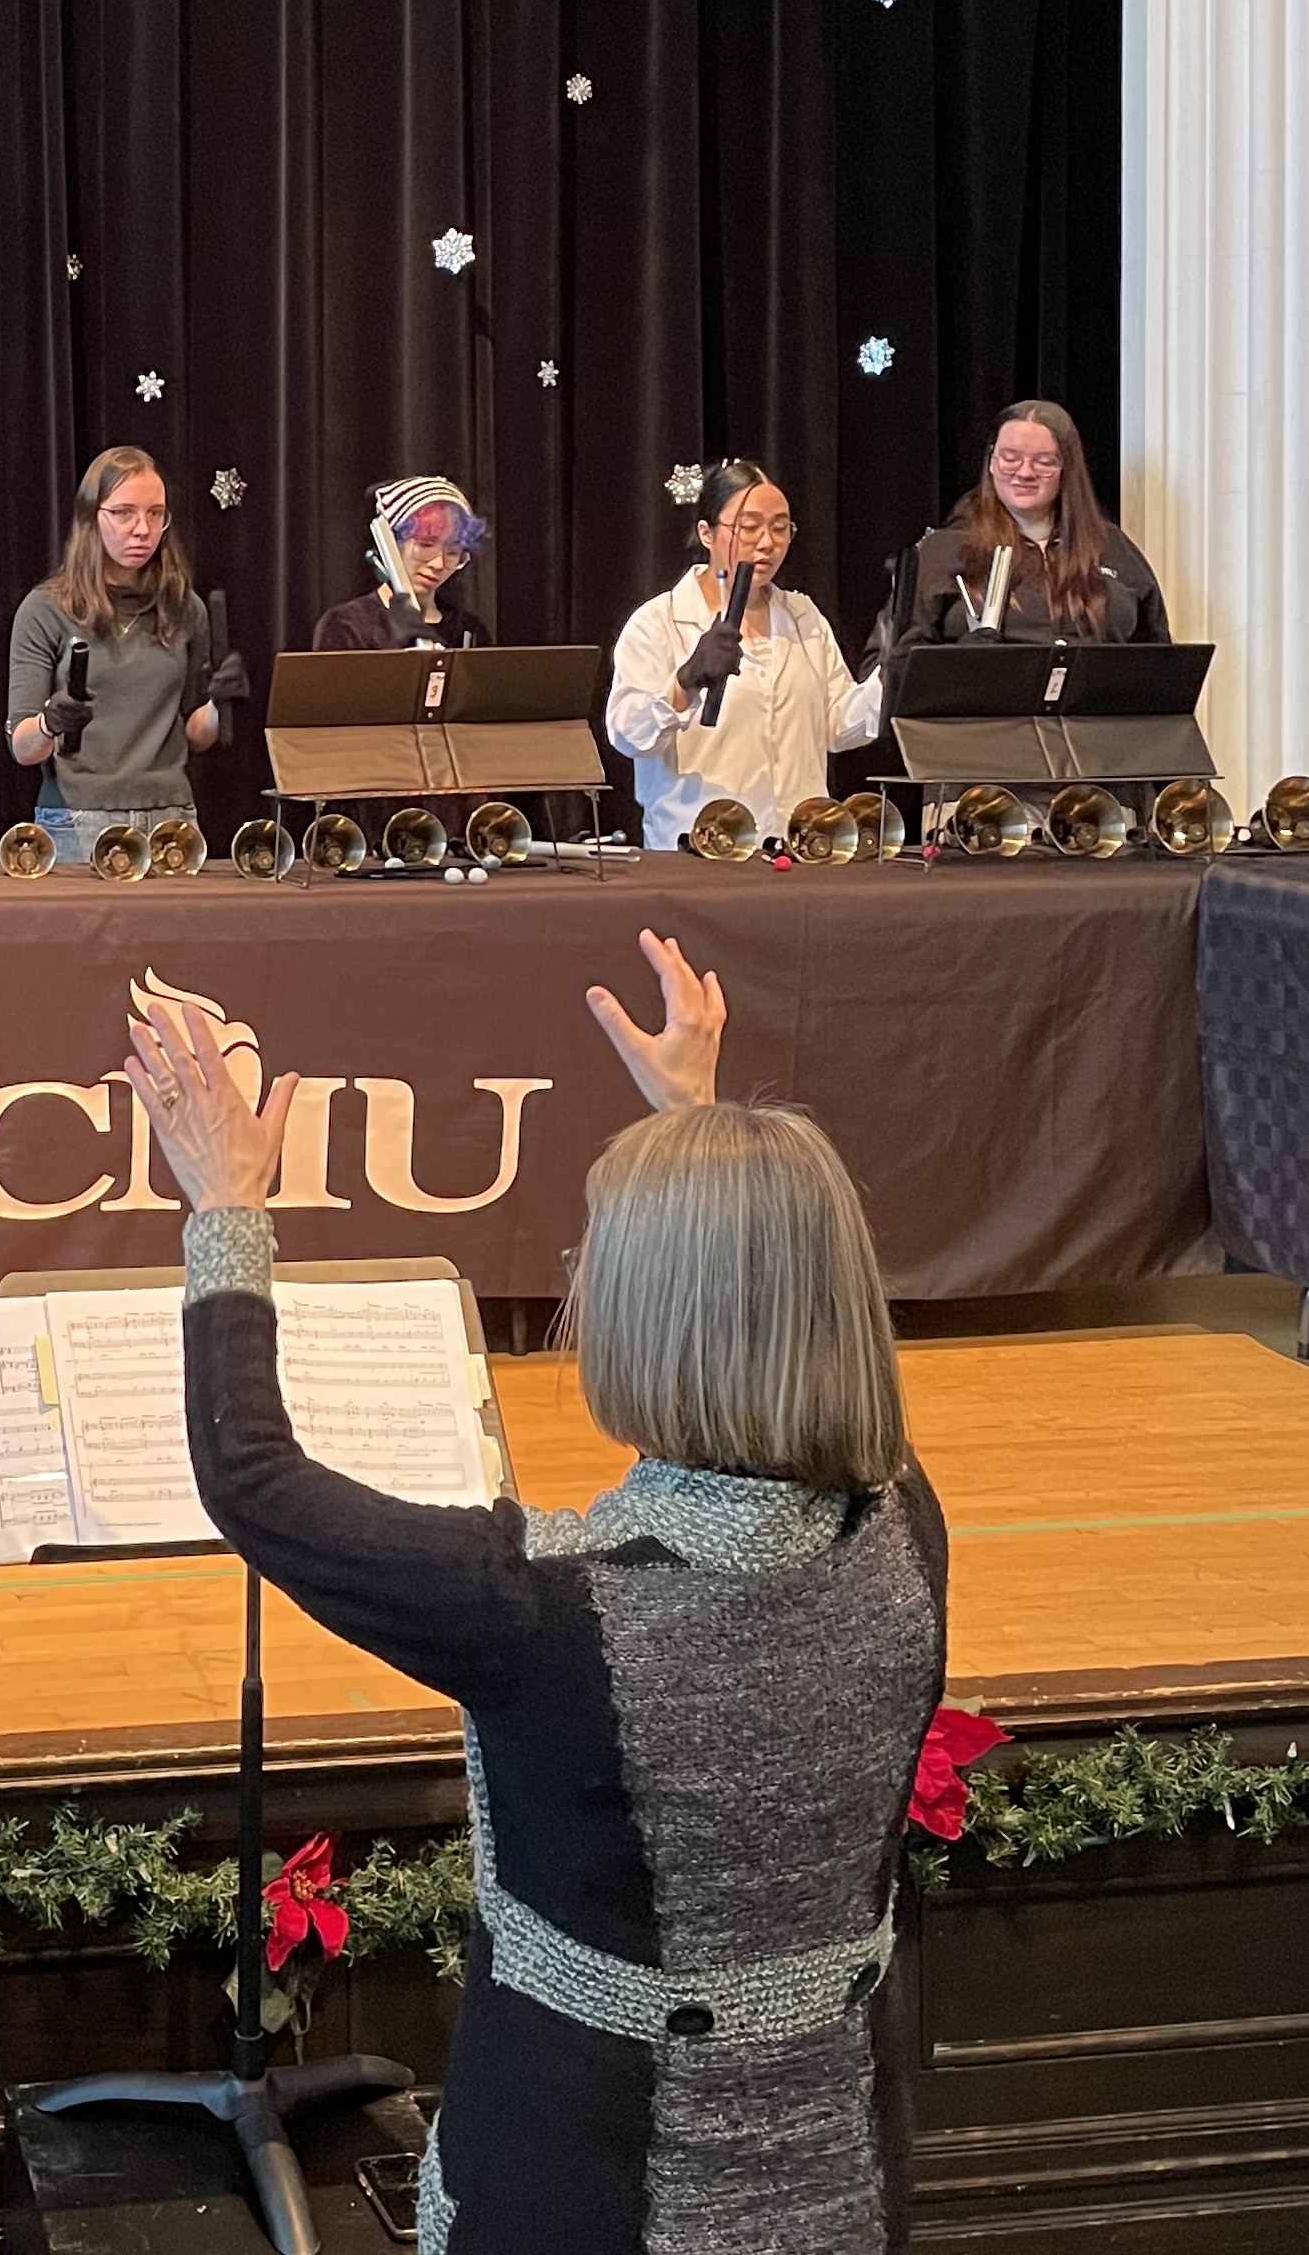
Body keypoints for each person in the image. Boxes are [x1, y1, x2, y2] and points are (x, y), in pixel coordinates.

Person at [129, 934, 947, 2254]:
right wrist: (701, 1125)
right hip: (843, 2167)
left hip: (585, 2182)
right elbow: (779, 1297)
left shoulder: (547, 1612)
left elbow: (255, 1479)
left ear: (627, 1319)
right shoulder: (905, 1526)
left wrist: (225, 1202)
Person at [605, 461, 884, 850]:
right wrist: (685, 682)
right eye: (749, 527)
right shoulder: (660, 621)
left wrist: (895, 674)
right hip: (701, 853)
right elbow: (627, 735)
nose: (767, 542)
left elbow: (837, 724)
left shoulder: (803, 618)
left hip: (798, 848)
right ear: (707, 532)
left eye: (780, 527)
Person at [2, 446, 245, 862]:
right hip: (79, 822)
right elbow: (23, 748)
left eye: (155, 514)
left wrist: (221, 705)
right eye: (124, 513)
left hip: (172, 820)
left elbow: (193, 734)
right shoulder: (46, 610)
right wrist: (49, 723)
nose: (142, 529)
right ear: (91, 519)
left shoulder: (185, 608)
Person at [887, 399, 1169, 649]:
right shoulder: (945, 550)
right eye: (1010, 458)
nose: (1024, 472)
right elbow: (896, 663)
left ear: (1066, 470)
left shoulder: (1111, 547)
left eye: (1044, 462)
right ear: (992, 463)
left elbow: (1157, 656)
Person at [314, 473, 490, 653]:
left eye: (453, 552)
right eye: (425, 545)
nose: (438, 564)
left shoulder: (470, 629)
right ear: (391, 543)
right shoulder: (347, 625)